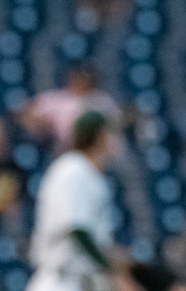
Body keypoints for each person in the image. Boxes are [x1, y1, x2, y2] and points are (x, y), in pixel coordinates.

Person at [27, 112, 129, 291]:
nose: (118, 141)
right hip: (62, 281)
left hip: (82, 281)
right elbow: (78, 230)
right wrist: (111, 270)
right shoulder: (73, 170)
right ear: (101, 137)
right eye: (114, 134)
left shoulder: (92, 175)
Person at [21, 65, 122, 153]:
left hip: (92, 148)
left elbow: (113, 126)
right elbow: (28, 111)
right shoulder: (58, 97)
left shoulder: (101, 101)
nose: (80, 81)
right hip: (59, 147)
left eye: (83, 78)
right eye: (77, 77)